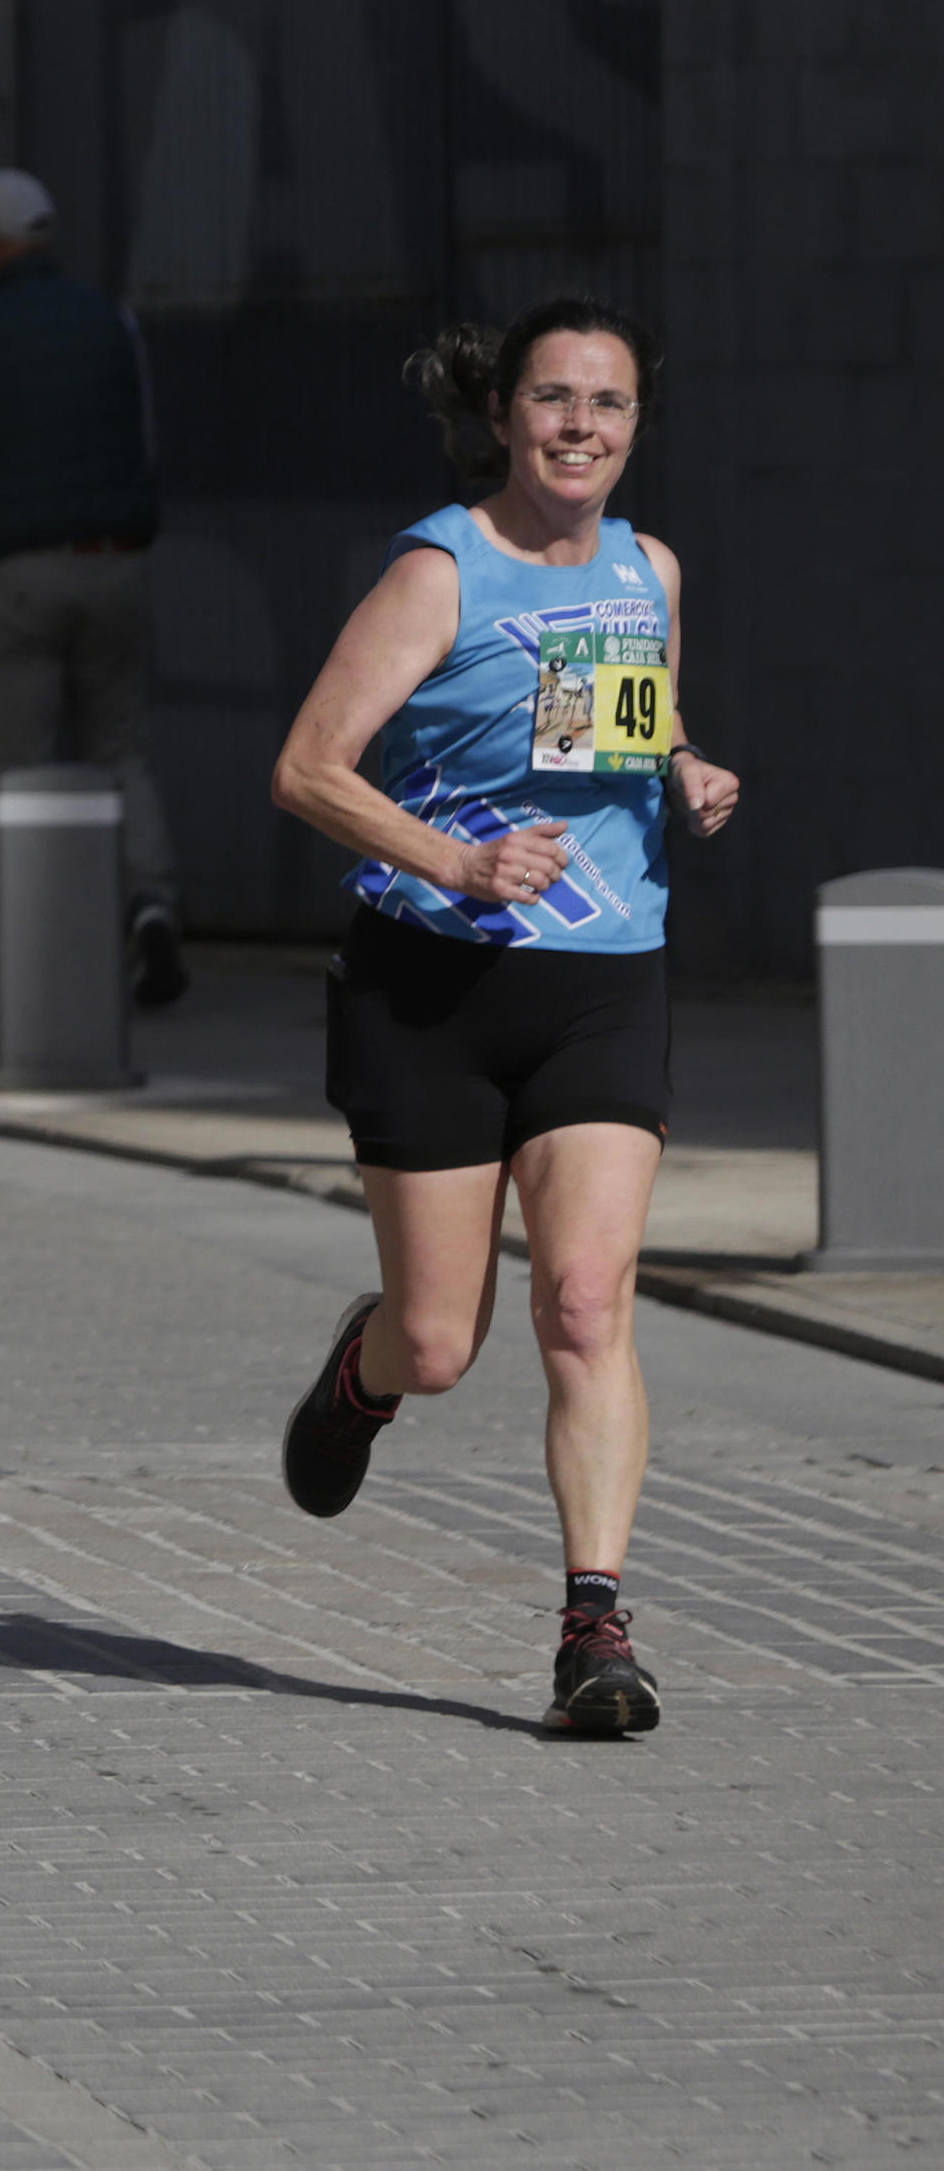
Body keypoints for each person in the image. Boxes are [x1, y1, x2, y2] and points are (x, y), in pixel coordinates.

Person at [269, 299, 736, 1741]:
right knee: (442, 1338)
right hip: (431, 987)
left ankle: (593, 1623)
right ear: (503, 416)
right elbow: (306, 769)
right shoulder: (437, 572)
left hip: (603, 977)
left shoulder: (647, 570)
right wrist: (455, 861)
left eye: (606, 403)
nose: (578, 426)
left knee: (585, 1304)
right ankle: (364, 1374)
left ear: (635, 424)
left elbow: (617, 717)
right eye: (552, 400)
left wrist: (682, 766)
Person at [0, 166, 185, 1006]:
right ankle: (151, 906)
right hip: (117, 563)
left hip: (8, 579)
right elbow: (144, 444)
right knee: (120, 748)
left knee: (15, 773)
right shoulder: (114, 323)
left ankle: (44, 952)